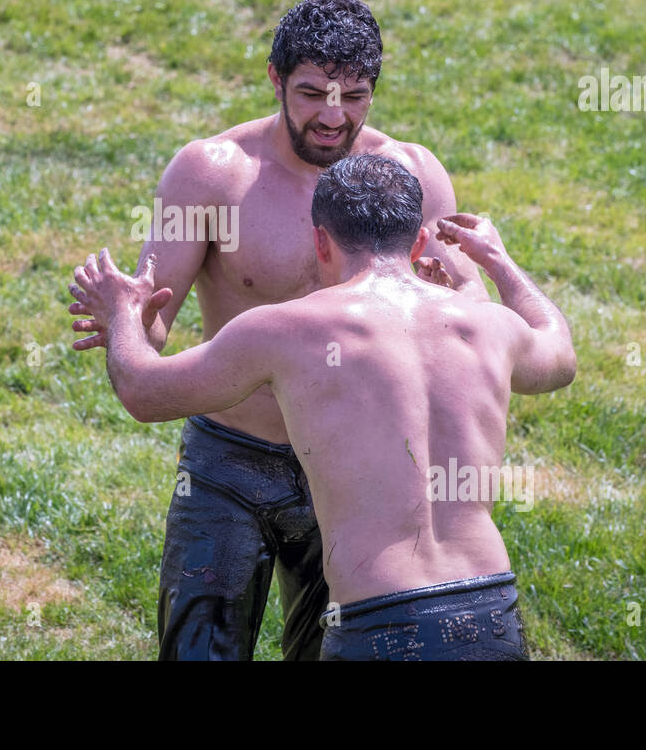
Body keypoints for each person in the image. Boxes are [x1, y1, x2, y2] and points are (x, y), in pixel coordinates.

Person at [69, 0, 487, 660]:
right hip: (228, 461)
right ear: (275, 79)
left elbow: (455, 330)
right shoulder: (213, 175)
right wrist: (124, 320)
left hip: (355, 460)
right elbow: (153, 326)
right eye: (313, 91)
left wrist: (462, 288)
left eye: (353, 96)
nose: (332, 115)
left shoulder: (408, 177)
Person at [71, 154, 576, 660]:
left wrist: (123, 314)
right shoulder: (485, 323)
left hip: (379, 623)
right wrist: (498, 261)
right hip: (491, 612)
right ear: (418, 240)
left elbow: (143, 390)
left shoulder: (285, 329)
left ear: (320, 242)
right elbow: (560, 355)